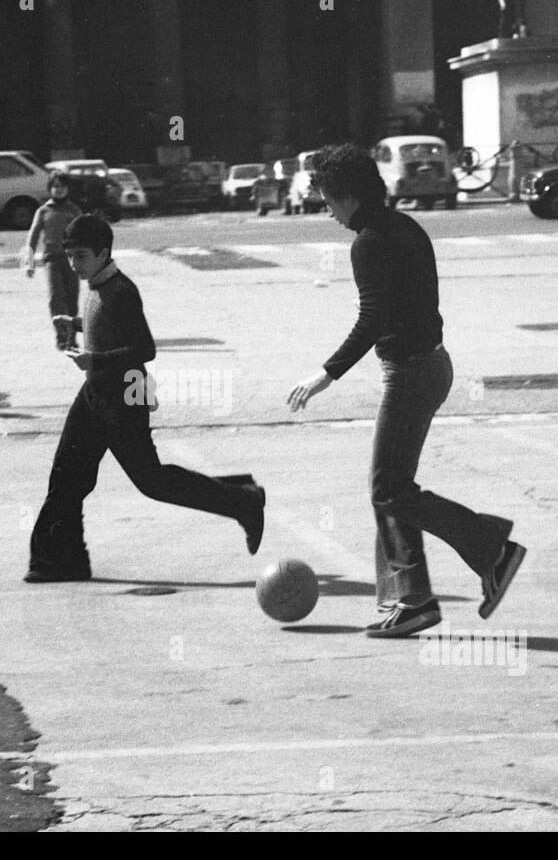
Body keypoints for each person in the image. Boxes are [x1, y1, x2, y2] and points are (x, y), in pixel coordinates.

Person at [287, 143, 526, 638]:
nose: (325, 209)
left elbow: (372, 318)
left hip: (412, 372)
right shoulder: (403, 225)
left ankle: (489, 549)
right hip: (430, 364)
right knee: (392, 489)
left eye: (328, 198)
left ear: (348, 195)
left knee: (388, 489)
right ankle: (413, 599)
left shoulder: (370, 241)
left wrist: (325, 373)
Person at [26, 214, 265, 583]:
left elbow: (144, 348)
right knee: (67, 476)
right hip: (95, 393)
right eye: (70, 256)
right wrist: (74, 324)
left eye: (82, 256)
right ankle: (59, 561)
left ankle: (243, 501)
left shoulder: (122, 290)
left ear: (104, 253)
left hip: (125, 395)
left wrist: (95, 359)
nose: (74, 264)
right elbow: (106, 326)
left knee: (152, 481)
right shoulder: (96, 284)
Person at [24, 171, 83, 349]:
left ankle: (72, 336)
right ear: (50, 189)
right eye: (55, 186)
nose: (59, 190)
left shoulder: (74, 210)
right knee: (56, 297)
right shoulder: (43, 211)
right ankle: (61, 335)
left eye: (62, 187)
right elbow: (32, 237)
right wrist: (28, 263)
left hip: (72, 261)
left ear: (68, 189)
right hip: (51, 260)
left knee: (72, 299)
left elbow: (85, 235)